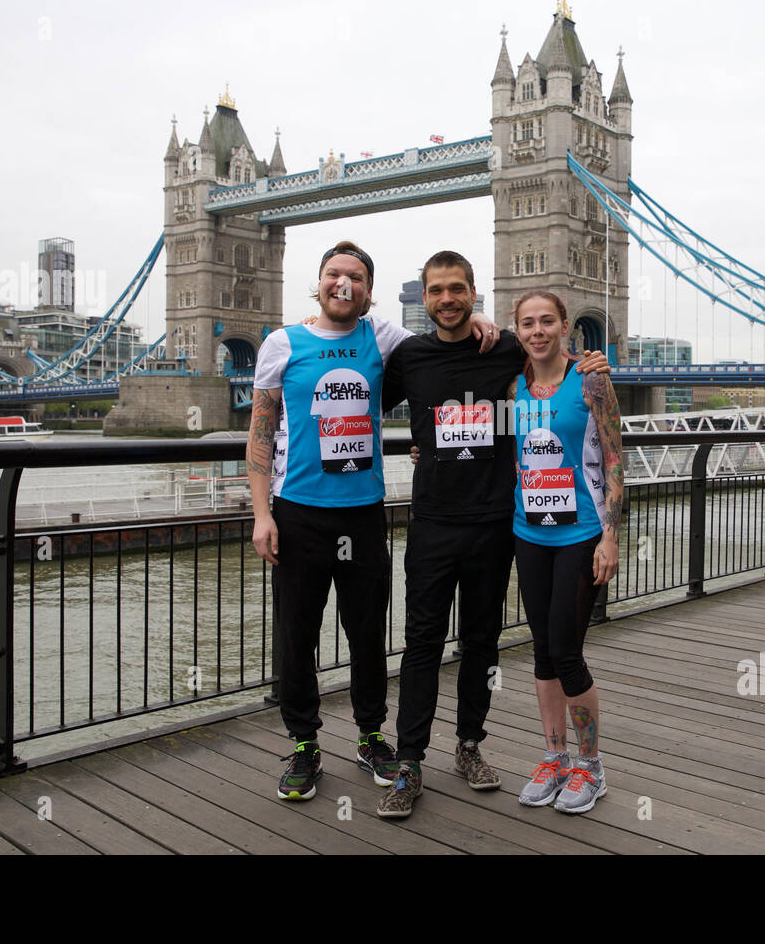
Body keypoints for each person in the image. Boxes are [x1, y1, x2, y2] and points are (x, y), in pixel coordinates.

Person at [247, 240, 499, 801]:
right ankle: (305, 744)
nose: (344, 285)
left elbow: (445, 341)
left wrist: (480, 314)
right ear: (318, 282)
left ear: (368, 290)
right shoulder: (281, 344)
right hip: (297, 512)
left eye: (356, 278)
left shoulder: (383, 339)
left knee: (366, 633)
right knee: (296, 635)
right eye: (334, 275)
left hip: (361, 513)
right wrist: (262, 513)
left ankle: (369, 735)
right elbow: (261, 433)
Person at [375, 253, 610, 819]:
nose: (447, 299)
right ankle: (409, 763)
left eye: (458, 289)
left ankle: (470, 747)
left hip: (496, 524)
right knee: (422, 645)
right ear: (425, 298)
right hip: (432, 522)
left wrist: (592, 360)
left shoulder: (504, 346)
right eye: (437, 290)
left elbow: (551, 356)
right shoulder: (408, 356)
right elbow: (360, 408)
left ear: (474, 294)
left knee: (482, 644)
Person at [509, 289, 623, 814]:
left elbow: (615, 461)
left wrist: (611, 536)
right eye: (527, 323)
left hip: (579, 533)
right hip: (529, 534)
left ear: (564, 327)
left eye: (547, 321)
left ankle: (590, 765)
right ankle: (554, 756)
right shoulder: (513, 385)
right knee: (542, 651)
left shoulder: (592, 379)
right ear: (518, 332)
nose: (538, 331)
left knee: (568, 653)